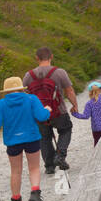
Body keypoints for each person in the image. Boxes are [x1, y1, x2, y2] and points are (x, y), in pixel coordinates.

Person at [0, 76, 51, 201]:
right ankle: (35, 193)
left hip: (13, 141)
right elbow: (42, 116)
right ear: (21, 88)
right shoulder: (31, 99)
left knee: (15, 171)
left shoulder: (2, 104)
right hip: (31, 138)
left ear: (6, 91)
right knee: (34, 168)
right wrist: (47, 110)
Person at [22, 47, 78, 175]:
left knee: (44, 138)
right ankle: (60, 155)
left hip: (39, 113)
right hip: (58, 111)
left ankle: (49, 166)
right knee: (65, 130)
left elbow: (25, 95)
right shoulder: (59, 72)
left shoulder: (28, 75)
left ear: (37, 58)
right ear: (51, 56)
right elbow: (69, 90)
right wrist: (74, 105)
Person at [72, 81, 101, 146]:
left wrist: (74, 113)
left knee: (97, 143)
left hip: (96, 128)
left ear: (90, 92)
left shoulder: (89, 104)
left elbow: (85, 116)